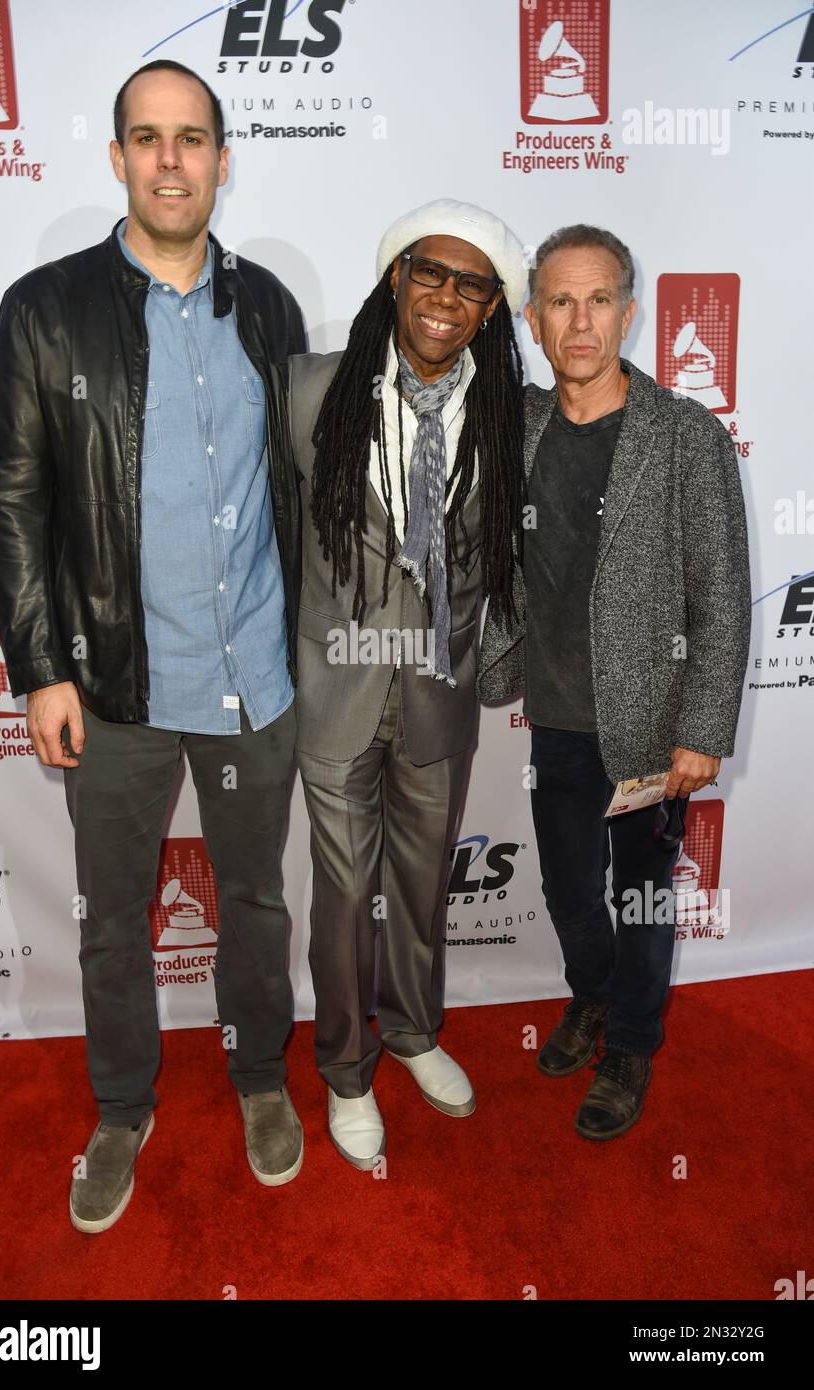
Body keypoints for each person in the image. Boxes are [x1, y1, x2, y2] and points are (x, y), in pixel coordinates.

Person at [0, 60, 307, 1231]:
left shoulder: (266, 305)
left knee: (258, 904)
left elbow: (293, 486)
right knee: (115, 918)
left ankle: (263, 1079)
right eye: (148, 138)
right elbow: (13, 500)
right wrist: (40, 669)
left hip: (252, 679)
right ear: (117, 157)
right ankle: (121, 1106)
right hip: (113, 687)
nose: (172, 160)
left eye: (192, 139)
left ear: (223, 157)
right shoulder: (44, 306)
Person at [479, 224, 750, 1140]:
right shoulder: (515, 424)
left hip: (650, 722)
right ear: (533, 319)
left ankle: (631, 1043)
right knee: (566, 889)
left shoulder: (684, 435)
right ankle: (590, 997)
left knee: (641, 893)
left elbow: (721, 591)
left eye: (598, 300)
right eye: (559, 301)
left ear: (628, 315)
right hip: (554, 719)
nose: (579, 320)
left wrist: (703, 727)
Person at [287, 200, 528, 1168]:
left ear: (491, 309)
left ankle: (416, 1032)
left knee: (421, 887)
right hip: (332, 693)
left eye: (472, 286)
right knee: (345, 897)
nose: (445, 297)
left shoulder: (512, 413)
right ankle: (346, 1071)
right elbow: (264, 537)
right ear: (395, 278)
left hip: (441, 694)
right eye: (430, 273)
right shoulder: (308, 392)